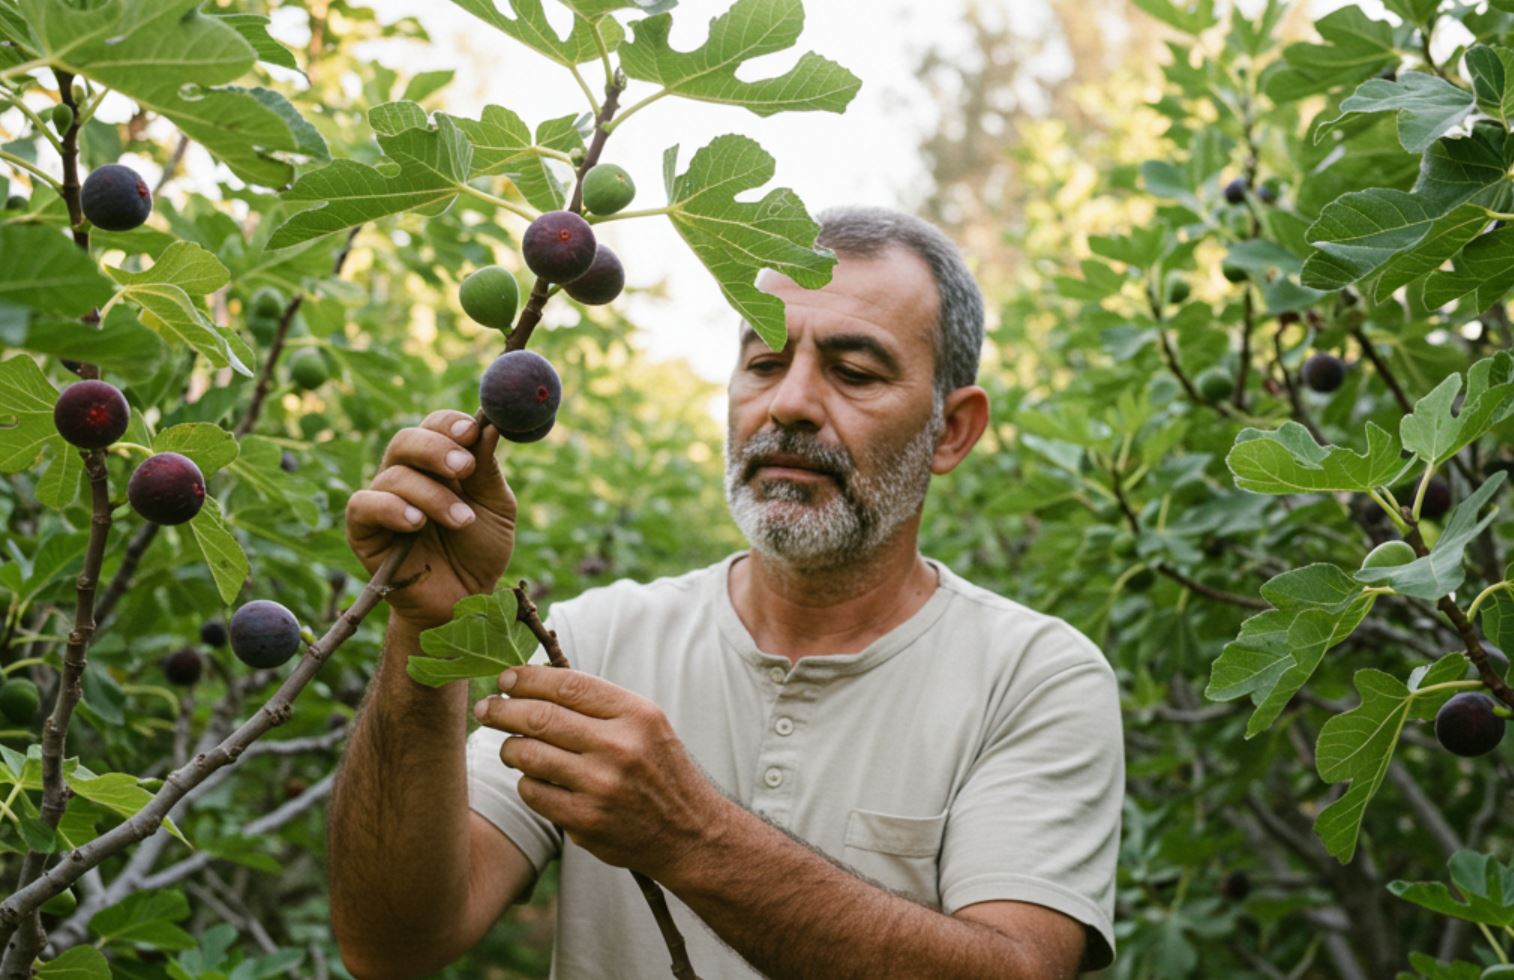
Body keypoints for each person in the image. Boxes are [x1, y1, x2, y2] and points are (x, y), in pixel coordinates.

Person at [329, 206, 1124, 979]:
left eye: (853, 372)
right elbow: (391, 946)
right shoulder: (591, 642)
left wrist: (689, 835)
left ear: (952, 431)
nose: (790, 404)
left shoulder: (1034, 677)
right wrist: (425, 629)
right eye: (764, 364)